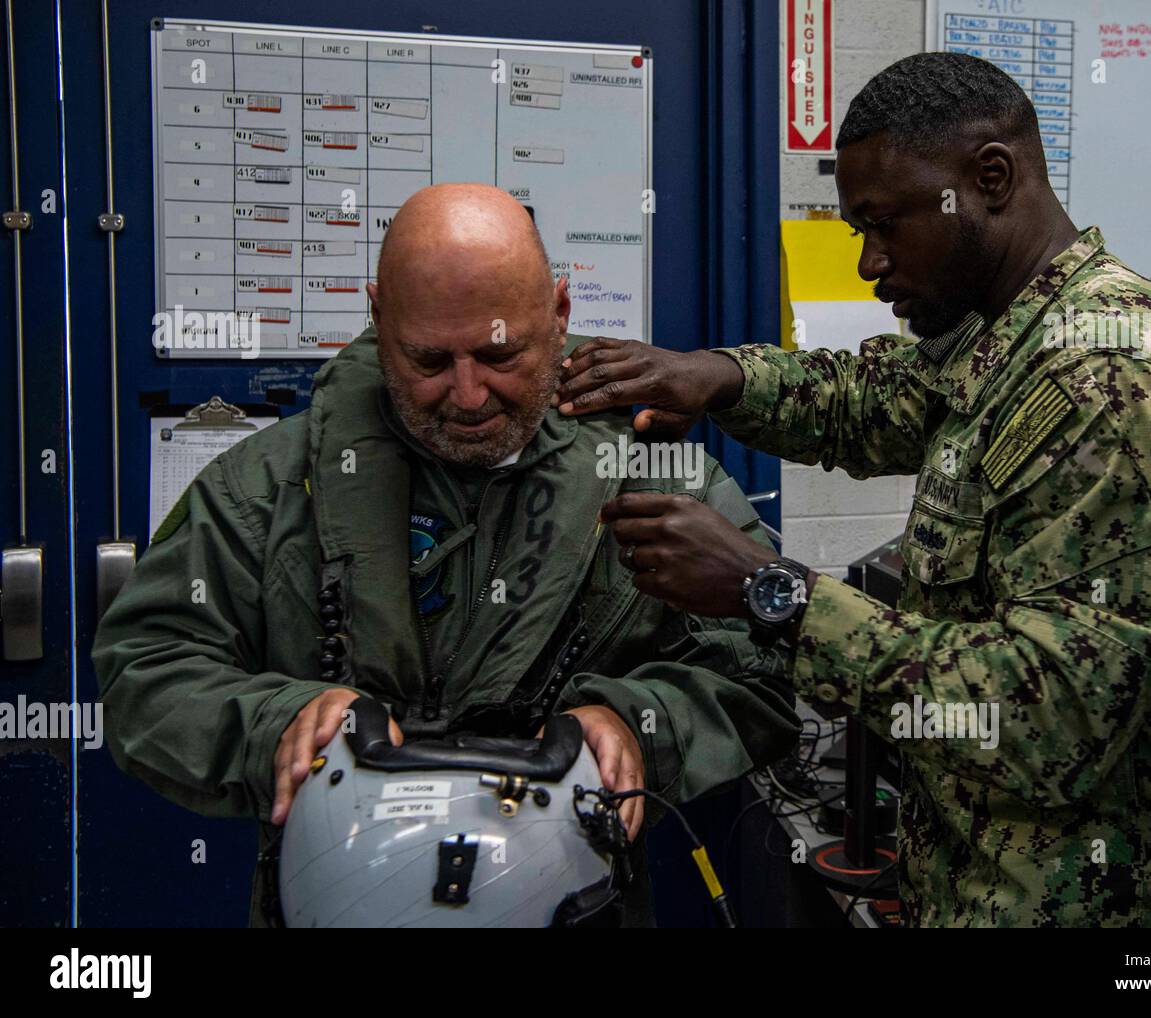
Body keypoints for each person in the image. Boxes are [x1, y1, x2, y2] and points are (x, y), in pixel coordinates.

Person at [554, 52, 1151, 927]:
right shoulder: (1010, 336)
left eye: (885, 223)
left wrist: (768, 591)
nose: (867, 261)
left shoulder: (1110, 383)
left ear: (991, 178)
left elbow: (1051, 719)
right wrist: (713, 377)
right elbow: (881, 400)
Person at [93, 183, 799, 927]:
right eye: (429, 359)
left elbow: (762, 666)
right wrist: (278, 725)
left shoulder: (660, 483)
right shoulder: (267, 487)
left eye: (501, 354)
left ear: (559, 316)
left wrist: (638, 726)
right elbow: (147, 667)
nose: (467, 396)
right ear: (376, 316)